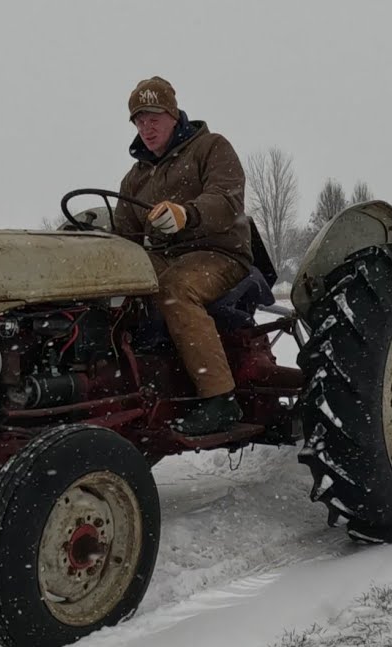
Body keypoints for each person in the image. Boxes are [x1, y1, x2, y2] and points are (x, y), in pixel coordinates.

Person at [112, 76, 254, 436]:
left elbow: (227, 200)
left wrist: (187, 214)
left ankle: (220, 398)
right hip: (165, 256)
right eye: (139, 121)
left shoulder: (211, 148)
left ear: (174, 116)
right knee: (114, 289)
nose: (147, 127)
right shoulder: (135, 176)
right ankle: (122, 386)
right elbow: (123, 233)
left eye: (154, 118)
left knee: (175, 288)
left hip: (219, 253)